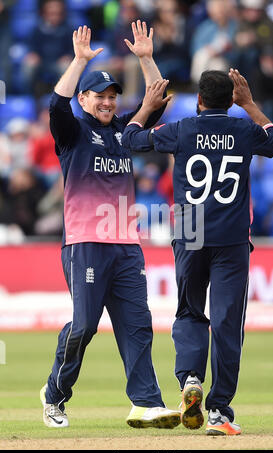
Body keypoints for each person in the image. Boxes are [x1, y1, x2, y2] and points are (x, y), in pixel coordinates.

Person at [121, 69, 273, 435]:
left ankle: (191, 378)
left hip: (190, 229)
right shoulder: (244, 130)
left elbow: (130, 139)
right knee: (227, 323)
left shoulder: (181, 129)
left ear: (198, 100)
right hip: (230, 236)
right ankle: (218, 412)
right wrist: (251, 106)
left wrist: (146, 107)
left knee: (190, 310)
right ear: (231, 100)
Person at [40, 21, 180, 430]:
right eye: (99, 96)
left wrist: (146, 58)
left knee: (138, 325)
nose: (107, 102)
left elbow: (158, 100)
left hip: (126, 245)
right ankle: (55, 394)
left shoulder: (124, 132)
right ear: (84, 98)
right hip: (85, 242)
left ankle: (146, 403)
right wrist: (79, 61)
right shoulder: (72, 131)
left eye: (112, 96)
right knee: (84, 325)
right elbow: (55, 104)